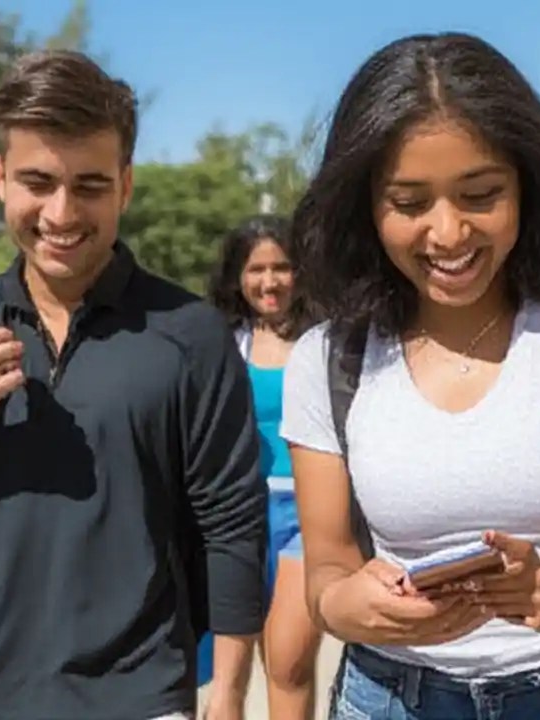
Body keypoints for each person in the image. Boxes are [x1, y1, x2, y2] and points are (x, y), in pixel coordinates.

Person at [280, 32, 540, 720]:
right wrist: (349, 605)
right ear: (363, 207)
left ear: (528, 183)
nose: (448, 233)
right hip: (388, 700)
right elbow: (327, 567)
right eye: (409, 203)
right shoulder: (325, 357)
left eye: (480, 193)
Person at [0, 50, 267, 720]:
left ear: (126, 184)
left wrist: (226, 693)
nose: (61, 212)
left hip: (143, 699)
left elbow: (232, 525)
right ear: (0, 177)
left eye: (89, 185)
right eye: (37, 182)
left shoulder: (190, 333)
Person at [207, 215, 323, 719]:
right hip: (241, 516)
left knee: (289, 658)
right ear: (238, 276)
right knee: (237, 660)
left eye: (282, 267)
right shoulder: (222, 341)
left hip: (307, 512)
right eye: (257, 269)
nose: (269, 281)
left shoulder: (324, 339)